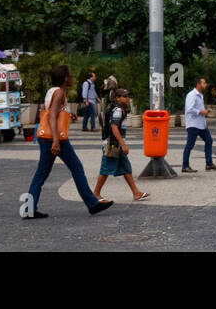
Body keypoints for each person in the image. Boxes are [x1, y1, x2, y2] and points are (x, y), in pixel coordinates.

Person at [24, 66, 112, 219]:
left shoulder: (51, 91)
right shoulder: (59, 92)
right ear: (65, 78)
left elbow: (50, 110)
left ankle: (29, 208)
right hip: (56, 139)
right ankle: (92, 204)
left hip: (46, 138)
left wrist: (67, 114)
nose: (72, 77)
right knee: (76, 168)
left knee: (41, 174)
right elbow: (51, 115)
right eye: (70, 75)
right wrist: (56, 141)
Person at [93, 88, 150, 202]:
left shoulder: (121, 109)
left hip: (116, 143)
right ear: (117, 98)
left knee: (126, 168)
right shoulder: (118, 110)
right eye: (125, 96)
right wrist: (123, 144)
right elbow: (114, 127)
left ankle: (136, 193)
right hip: (113, 144)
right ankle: (95, 194)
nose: (127, 98)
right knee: (106, 169)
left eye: (128, 96)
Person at [181, 77, 216, 173]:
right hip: (193, 124)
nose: (205, 84)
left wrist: (205, 112)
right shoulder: (191, 95)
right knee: (190, 145)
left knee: (209, 141)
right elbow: (189, 109)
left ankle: (209, 164)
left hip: (201, 124)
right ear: (198, 84)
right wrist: (202, 112)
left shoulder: (200, 95)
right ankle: (185, 166)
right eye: (204, 83)